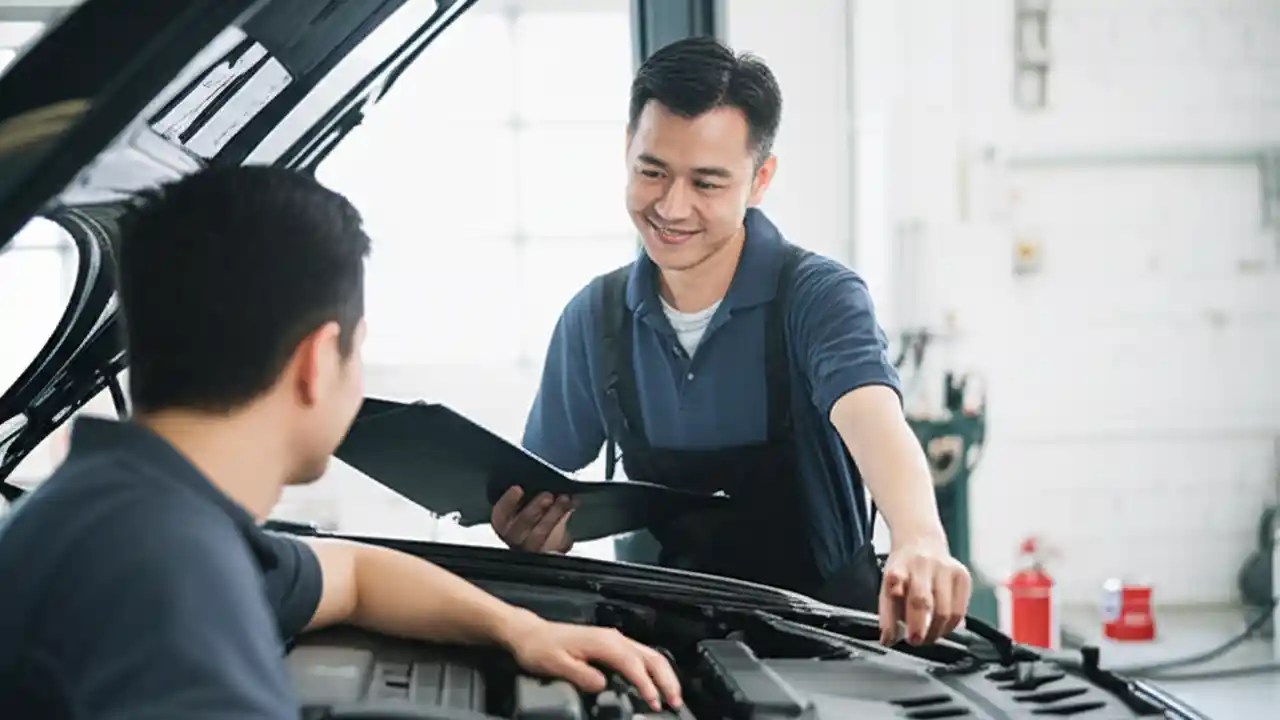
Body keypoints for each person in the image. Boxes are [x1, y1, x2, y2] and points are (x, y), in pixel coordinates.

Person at [0, 166, 681, 718]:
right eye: (358, 354)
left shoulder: (135, 513)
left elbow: (356, 575)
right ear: (318, 361)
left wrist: (523, 630)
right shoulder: (167, 586)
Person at [491, 36, 972, 647]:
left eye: (708, 183)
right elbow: (540, 488)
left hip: (829, 650)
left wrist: (920, 536)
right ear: (627, 153)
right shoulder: (595, 317)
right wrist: (537, 534)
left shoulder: (819, 298)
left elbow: (874, 419)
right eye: (652, 171)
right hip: (664, 650)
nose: (672, 205)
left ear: (760, 178)